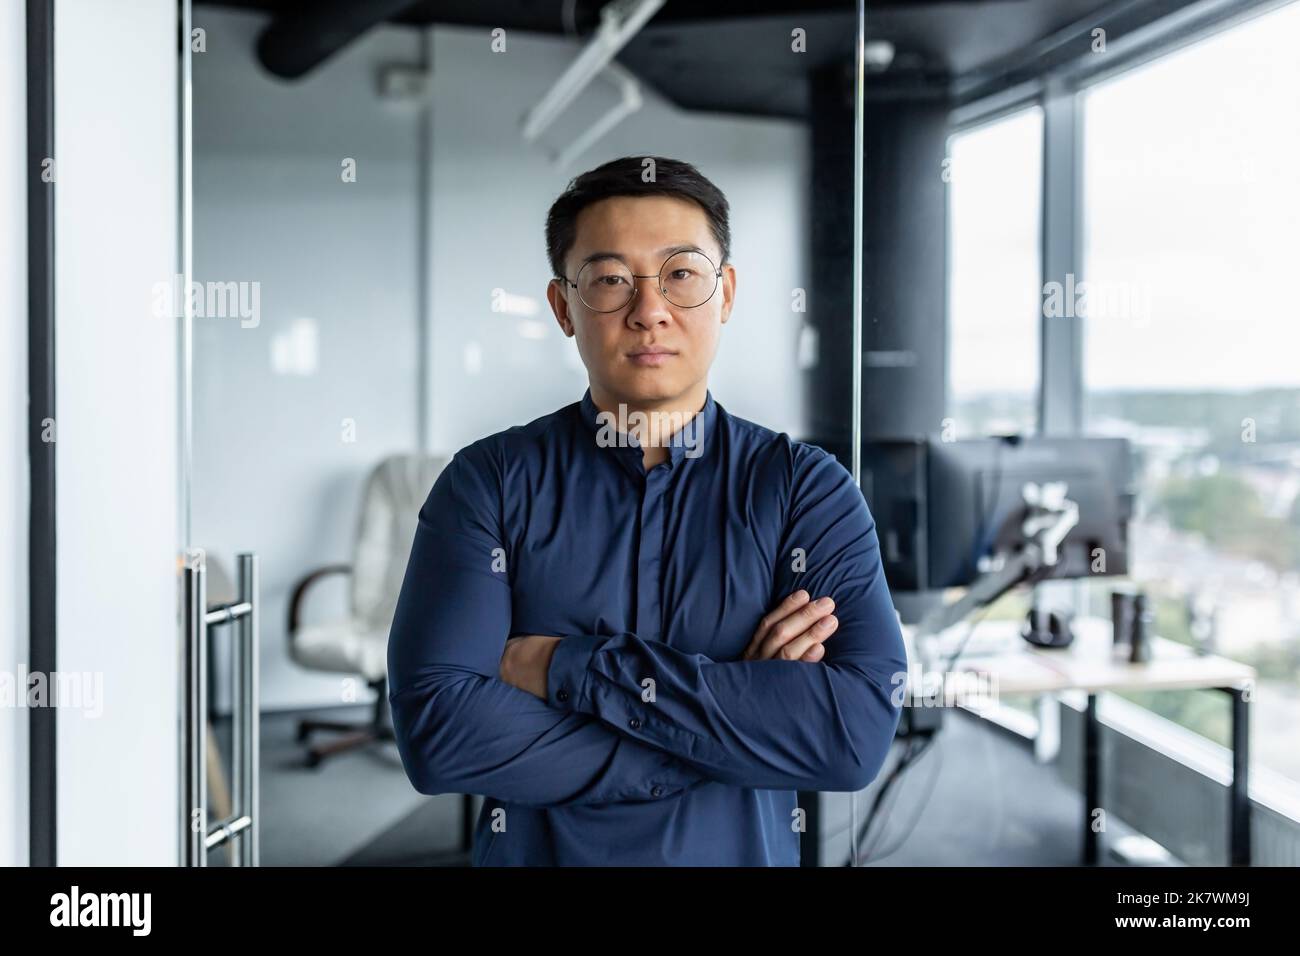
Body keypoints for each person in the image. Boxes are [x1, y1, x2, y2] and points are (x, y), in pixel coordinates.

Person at [386, 155, 907, 866]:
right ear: (564, 306)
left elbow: (851, 739)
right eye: (609, 280)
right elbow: (440, 738)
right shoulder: (489, 483)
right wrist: (737, 725)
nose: (649, 309)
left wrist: (566, 669)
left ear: (724, 293)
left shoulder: (803, 490)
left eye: (681, 274)